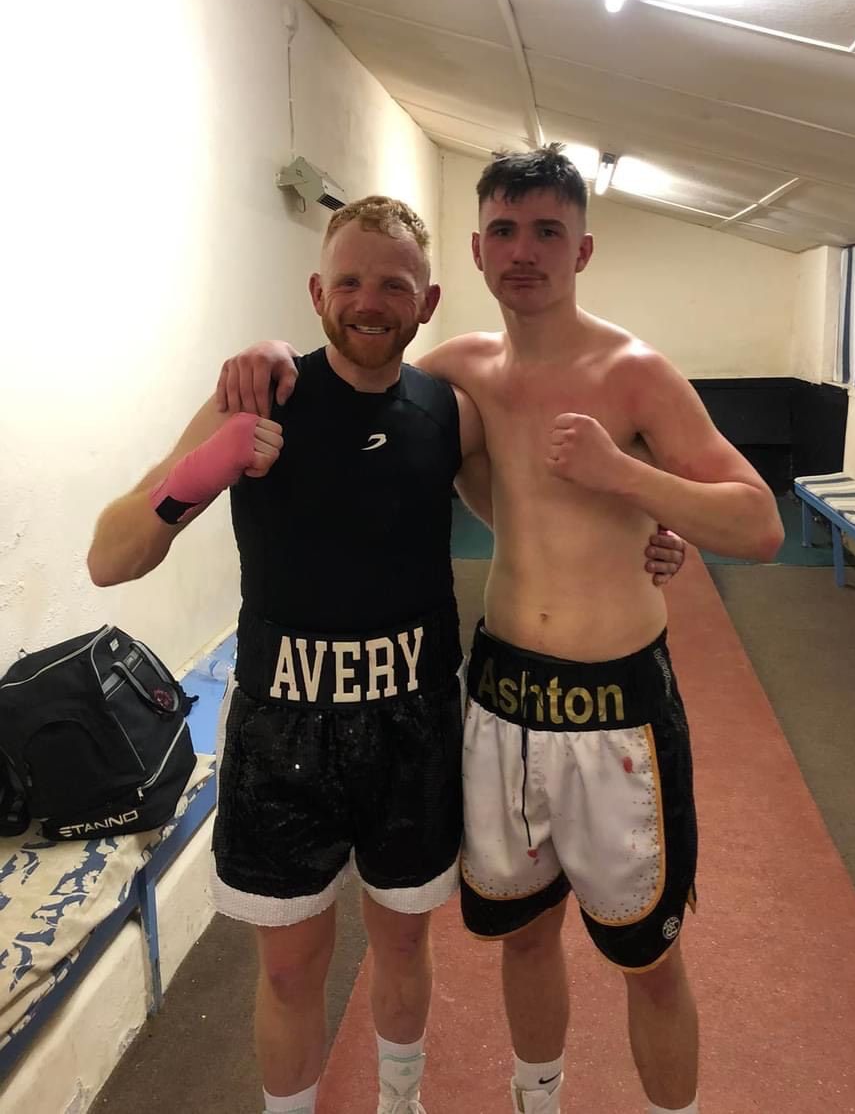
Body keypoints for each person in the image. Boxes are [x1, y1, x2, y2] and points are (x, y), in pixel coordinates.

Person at [88, 192, 686, 1114]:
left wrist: (648, 535)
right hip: (278, 735)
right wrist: (196, 476)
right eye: (353, 282)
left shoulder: (445, 408)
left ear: (429, 301)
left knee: (403, 946)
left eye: (394, 285)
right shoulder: (259, 391)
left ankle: (396, 1104)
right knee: (289, 972)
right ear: (318, 291)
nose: (372, 301)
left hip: (411, 727)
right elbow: (110, 558)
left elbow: (534, 510)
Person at [222, 148, 783, 1114]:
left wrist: (633, 483)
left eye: (548, 231)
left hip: (621, 705)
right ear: (477, 252)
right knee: (524, 937)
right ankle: (539, 1102)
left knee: (647, 959)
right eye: (506, 231)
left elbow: (758, 522)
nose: (525, 252)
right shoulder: (458, 373)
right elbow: (360, 363)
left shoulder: (635, 371)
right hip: (506, 693)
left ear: (583, 248)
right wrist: (271, 353)